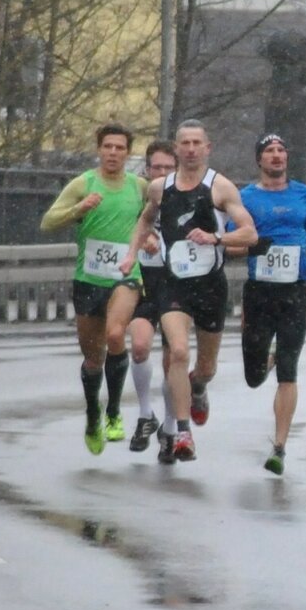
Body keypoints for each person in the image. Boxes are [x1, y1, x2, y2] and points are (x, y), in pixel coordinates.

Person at [122, 120, 256, 462]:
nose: (192, 149)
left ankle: (198, 387)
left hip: (210, 286)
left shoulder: (221, 188)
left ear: (207, 148)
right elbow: (144, 220)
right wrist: (130, 254)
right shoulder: (159, 188)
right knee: (178, 353)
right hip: (174, 284)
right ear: (177, 148)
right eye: (185, 143)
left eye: (198, 143)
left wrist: (217, 238)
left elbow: (250, 233)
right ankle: (182, 432)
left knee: (206, 367)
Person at [40, 123, 147, 454]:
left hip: (126, 275)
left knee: (116, 335)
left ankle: (114, 411)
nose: (113, 153)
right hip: (89, 279)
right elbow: (48, 222)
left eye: (119, 148)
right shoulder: (83, 183)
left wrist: (151, 238)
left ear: (128, 153)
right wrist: (78, 209)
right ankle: (92, 415)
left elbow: (154, 218)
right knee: (92, 359)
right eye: (108, 147)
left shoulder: (139, 187)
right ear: (99, 150)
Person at [239, 133, 306, 474]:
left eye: (281, 150)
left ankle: (280, 446)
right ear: (259, 160)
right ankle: (264, 361)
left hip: (294, 291)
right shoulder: (245, 197)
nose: (276, 155)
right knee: (255, 377)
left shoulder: (304, 194)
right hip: (259, 292)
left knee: (289, 368)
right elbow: (232, 238)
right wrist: (253, 246)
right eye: (269, 151)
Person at [122, 140, 178, 452]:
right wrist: (145, 238)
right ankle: (146, 415)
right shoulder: (139, 197)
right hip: (146, 284)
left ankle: (169, 428)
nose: (162, 172)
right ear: (147, 169)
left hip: (176, 287)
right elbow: (133, 225)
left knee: (173, 363)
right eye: (157, 167)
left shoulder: (187, 196)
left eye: (168, 168)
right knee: (140, 347)